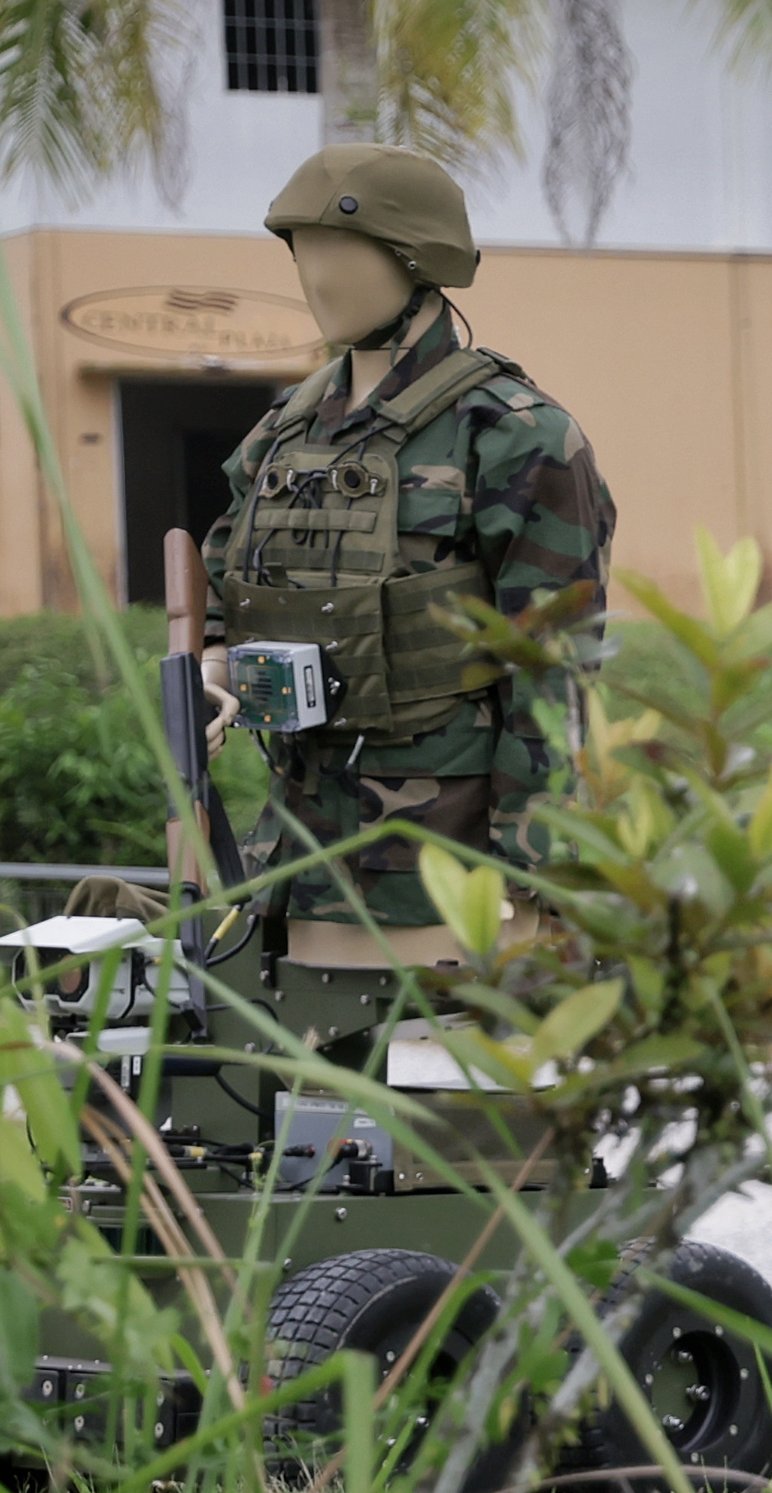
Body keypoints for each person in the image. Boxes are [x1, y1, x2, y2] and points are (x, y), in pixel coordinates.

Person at [203, 145, 611, 948]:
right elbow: (226, 577)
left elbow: (553, 677)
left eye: (344, 254)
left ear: (417, 260)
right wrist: (215, 668)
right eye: (304, 253)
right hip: (292, 862)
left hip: (448, 874)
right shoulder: (283, 432)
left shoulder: (515, 436)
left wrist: (526, 871)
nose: (318, 279)